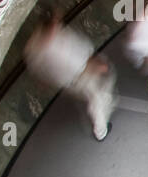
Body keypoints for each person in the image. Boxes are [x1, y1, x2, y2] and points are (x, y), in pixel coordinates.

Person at [23, 13, 116, 141]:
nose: (58, 22)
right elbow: (78, 60)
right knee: (98, 97)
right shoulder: (57, 43)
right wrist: (97, 66)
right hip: (81, 74)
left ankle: (100, 118)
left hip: (69, 80)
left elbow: (38, 72)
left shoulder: (33, 48)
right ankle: (100, 130)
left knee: (95, 94)